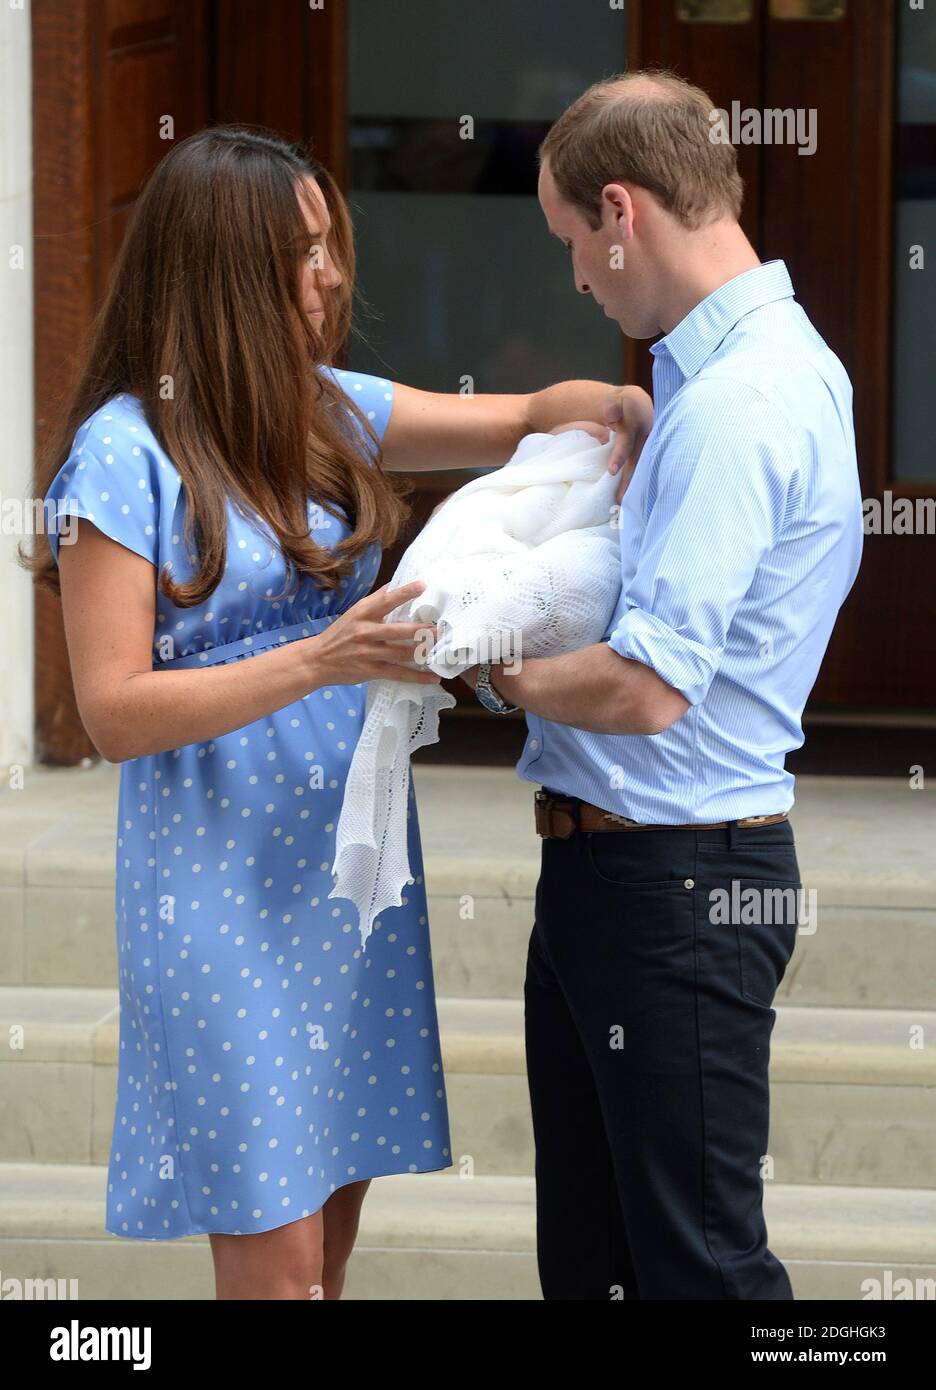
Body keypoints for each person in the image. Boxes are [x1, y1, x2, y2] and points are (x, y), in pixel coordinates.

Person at [20, 125, 652, 1300]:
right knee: (277, 1268)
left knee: (328, 1260)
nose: (331, 278)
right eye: (301, 257)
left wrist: (624, 404)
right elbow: (110, 711)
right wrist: (324, 659)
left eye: (329, 248)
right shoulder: (123, 455)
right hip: (215, 886)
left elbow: (524, 416)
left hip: (345, 876)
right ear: (220, 274)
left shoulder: (316, 409)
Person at [463, 70, 864, 1300]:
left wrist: (484, 666)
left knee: (702, 1276)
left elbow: (646, 687)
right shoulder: (720, 376)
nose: (577, 277)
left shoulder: (740, 402)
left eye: (574, 242)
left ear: (622, 211)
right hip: (627, 877)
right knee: (600, 1270)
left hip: (676, 883)